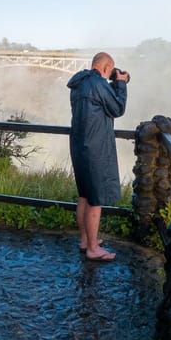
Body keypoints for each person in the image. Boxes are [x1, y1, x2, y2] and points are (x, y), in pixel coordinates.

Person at [67, 51, 129, 262]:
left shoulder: (80, 83)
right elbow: (117, 108)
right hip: (94, 149)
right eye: (110, 70)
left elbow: (99, 101)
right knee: (95, 200)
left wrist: (113, 83)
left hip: (78, 146)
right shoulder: (98, 84)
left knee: (84, 195)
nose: (110, 74)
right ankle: (93, 248)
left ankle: (86, 241)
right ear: (105, 67)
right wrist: (120, 84)